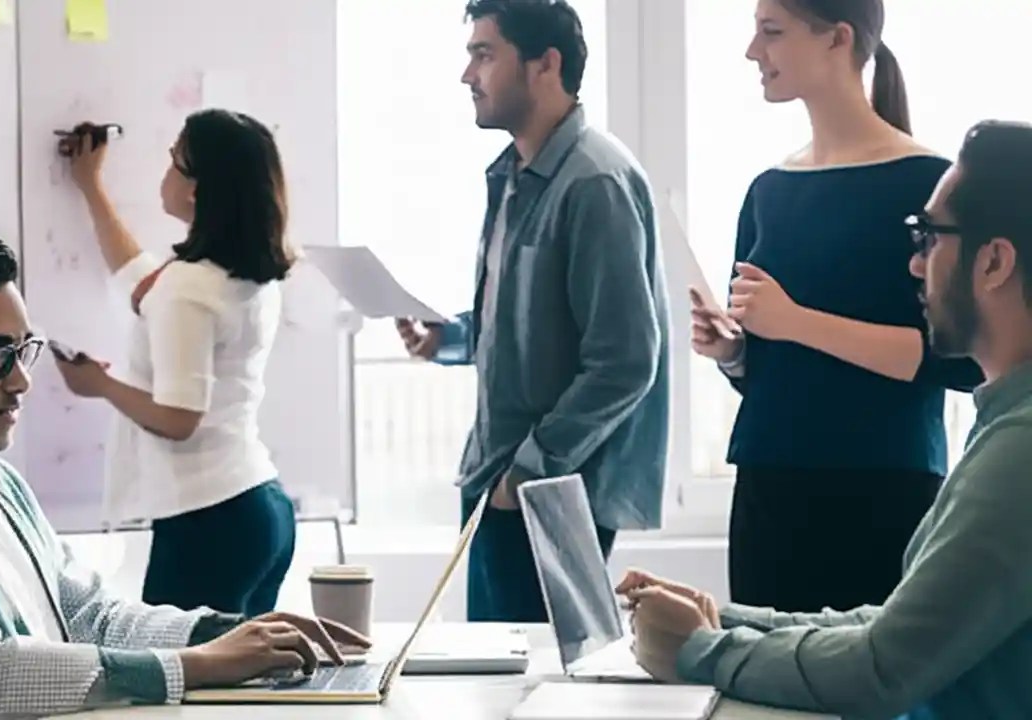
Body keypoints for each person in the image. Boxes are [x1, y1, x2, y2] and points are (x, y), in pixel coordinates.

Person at [0, 213, 369, 719]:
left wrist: (222, 634)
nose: (22, 381)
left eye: (23, 350)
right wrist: (189, 667)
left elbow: (87, 614)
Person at [621, 119, 1032, 720]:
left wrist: (700, 649)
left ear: (994, 262)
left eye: (928, 238)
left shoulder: (1020, 447)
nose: (915, 267)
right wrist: (722, 616)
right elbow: (888, 627)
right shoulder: (1003, 424)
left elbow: (880, 668)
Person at [689, 0, 983, 613]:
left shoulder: (928, 183)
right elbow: (774, 366)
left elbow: (955, 361)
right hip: (769, 488)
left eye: (771, 32)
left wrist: (795, 322)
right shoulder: (768, 191)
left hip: (882, 493)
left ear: (837, 40)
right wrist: (736, 351)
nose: (752, 52)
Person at [397, 0, 669, 622]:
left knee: (536, 696)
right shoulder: (517, 175)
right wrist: (451, 341)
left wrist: (526, 473)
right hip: (502, 479)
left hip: (547, 491)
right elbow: (534, 326)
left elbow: (625, 362)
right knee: (498, 690)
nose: (469, 75)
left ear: (546, 64)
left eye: (484, 55)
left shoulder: (595, 181)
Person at [55, 111, 296, 616]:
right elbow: (144, 285)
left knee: (183, 685)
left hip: (208, 523)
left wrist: (98, 384)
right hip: (257, 508)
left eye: (173, 162)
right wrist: (91, 187)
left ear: (197, 190)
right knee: (236, 687)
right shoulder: (241, 274)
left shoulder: (188, 288)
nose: (163, 173)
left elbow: (178, 419)